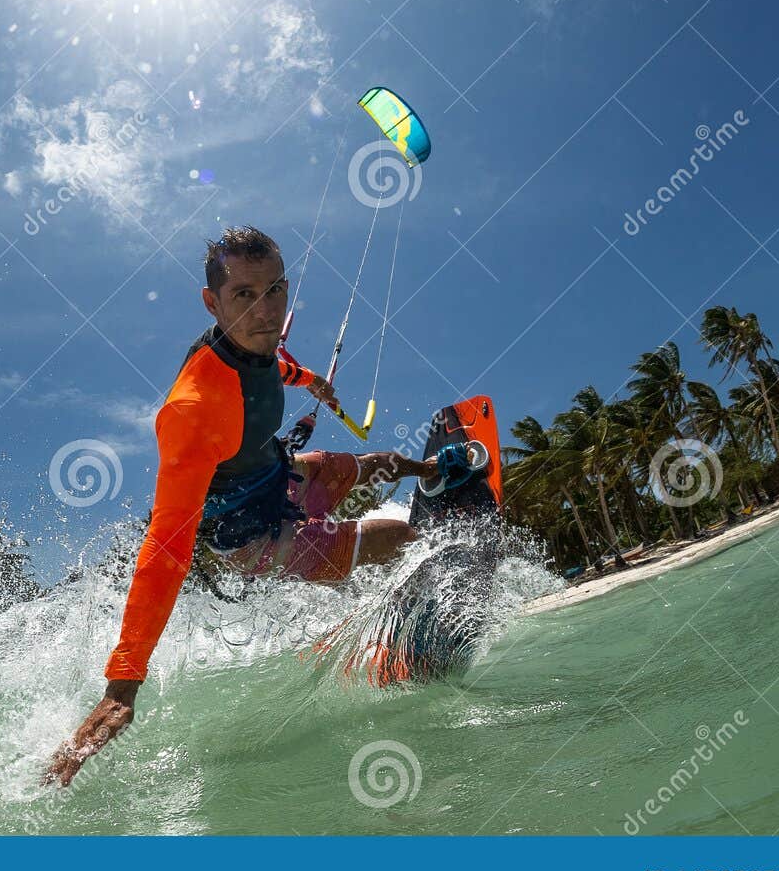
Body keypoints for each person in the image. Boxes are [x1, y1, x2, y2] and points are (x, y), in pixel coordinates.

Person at [43, 226, 471, 786]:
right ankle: (413, 640)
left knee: (374, 462)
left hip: (281, 477)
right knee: (396, 541)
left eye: (275, 291)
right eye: (245, 295)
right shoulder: (191, 410)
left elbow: (277, 366)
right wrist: (122, 686)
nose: (266, 311)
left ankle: (434, 471)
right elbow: (167, 543)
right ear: (212, 303)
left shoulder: (262, 343)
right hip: (253, 540)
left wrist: (314, 381)